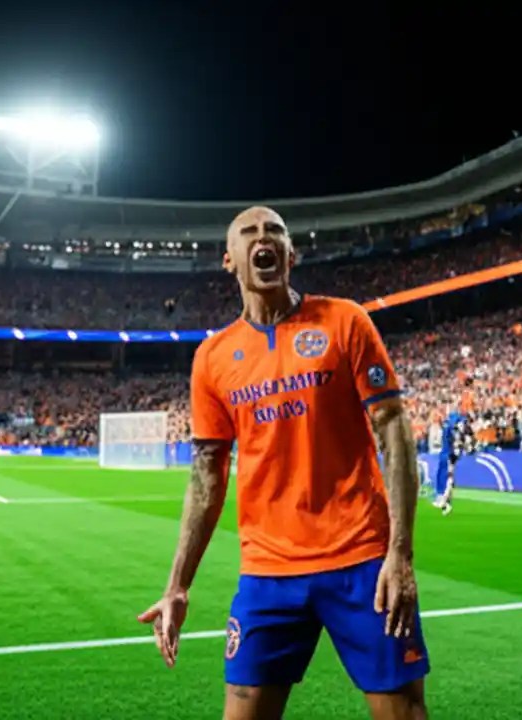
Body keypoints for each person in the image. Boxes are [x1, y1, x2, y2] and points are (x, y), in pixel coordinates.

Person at [138, 206, 430, 720]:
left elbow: (394, 428)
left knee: (403, 712)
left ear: (291, 254)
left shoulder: (344, 321)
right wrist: (177, 586)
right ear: (230, 260)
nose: (262, 238)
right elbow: (207, 475)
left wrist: (400, 554)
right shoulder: (212, 358)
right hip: (268, 572)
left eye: (274, 230)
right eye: (248, 233)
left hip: (360, 561)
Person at [431, 406, 462, 516]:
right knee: (444, 476)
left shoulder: (453, 427)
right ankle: (445, 502)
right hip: (446, 453)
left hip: (449, 454)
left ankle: (444, 501)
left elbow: (457, 441)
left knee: (448, 477)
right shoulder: (449, 426)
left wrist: (455, 453)